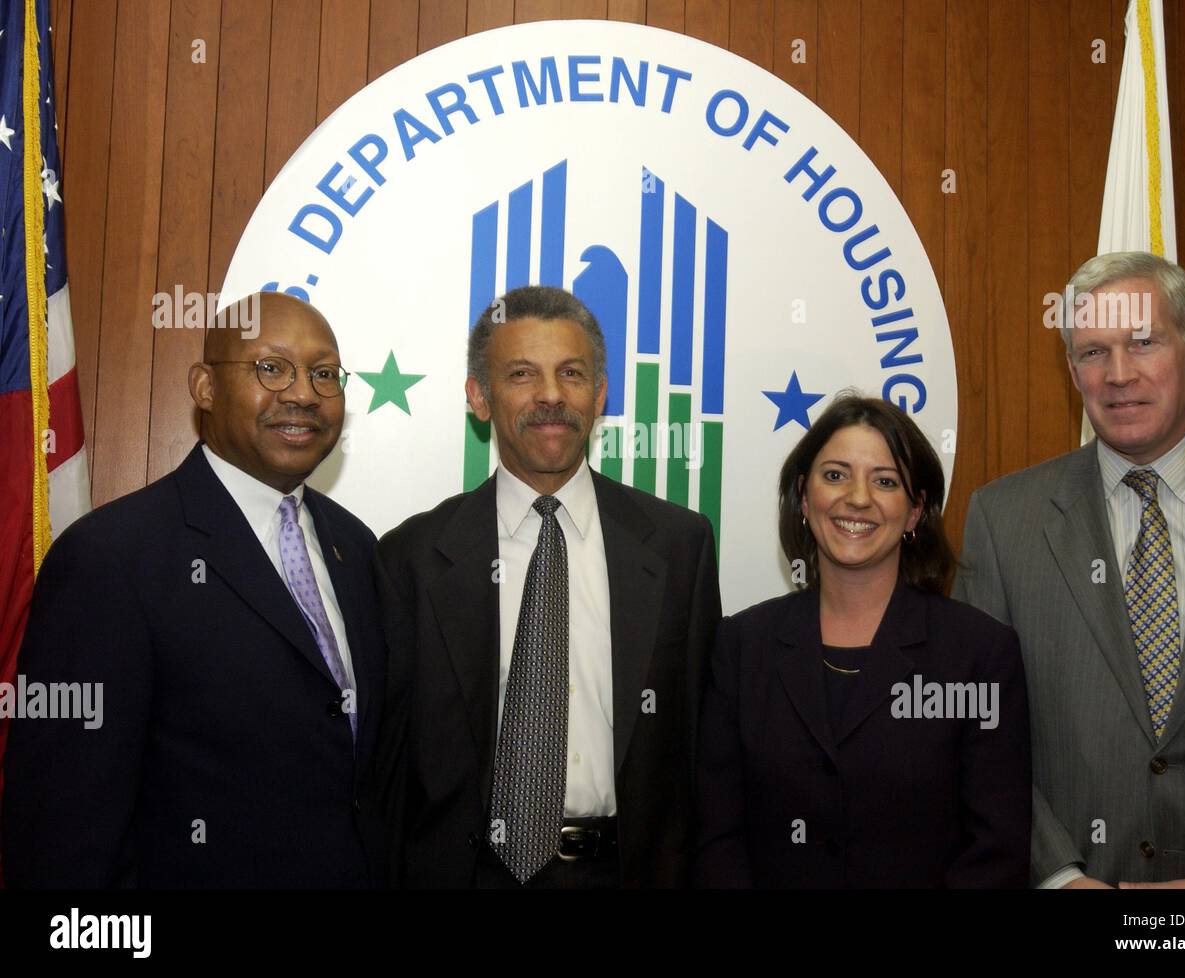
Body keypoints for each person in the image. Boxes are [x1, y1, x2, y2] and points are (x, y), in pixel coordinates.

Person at [2, 292, 388, 887]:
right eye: (271, 367)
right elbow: (62, 833)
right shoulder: (110, 557)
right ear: (205, 387)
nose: (304, 394)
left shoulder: (357, 548)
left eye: (324, 374)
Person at [955, 251, 1185, 888]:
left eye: (1143, 342)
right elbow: (976, 732)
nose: (1118, 374)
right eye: (1093, 352)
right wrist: (1056, 875)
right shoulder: (1005, 522)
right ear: (1071, 369)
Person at [374, 286, 720, 888]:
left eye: (571, 373)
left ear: (600, 393)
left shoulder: (678, 546)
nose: (552, 396)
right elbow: (390, 766)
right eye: (522, 374)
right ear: (479, 398)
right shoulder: (412, 557)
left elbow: (703, 751)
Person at [695, 393, 1030, 887]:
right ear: (804, 499)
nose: (857, 498)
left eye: (885, 481)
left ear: (915, 512)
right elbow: (717, 838)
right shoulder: (742, 647)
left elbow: (997, 851)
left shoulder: (979, 655)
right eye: (835, 475)